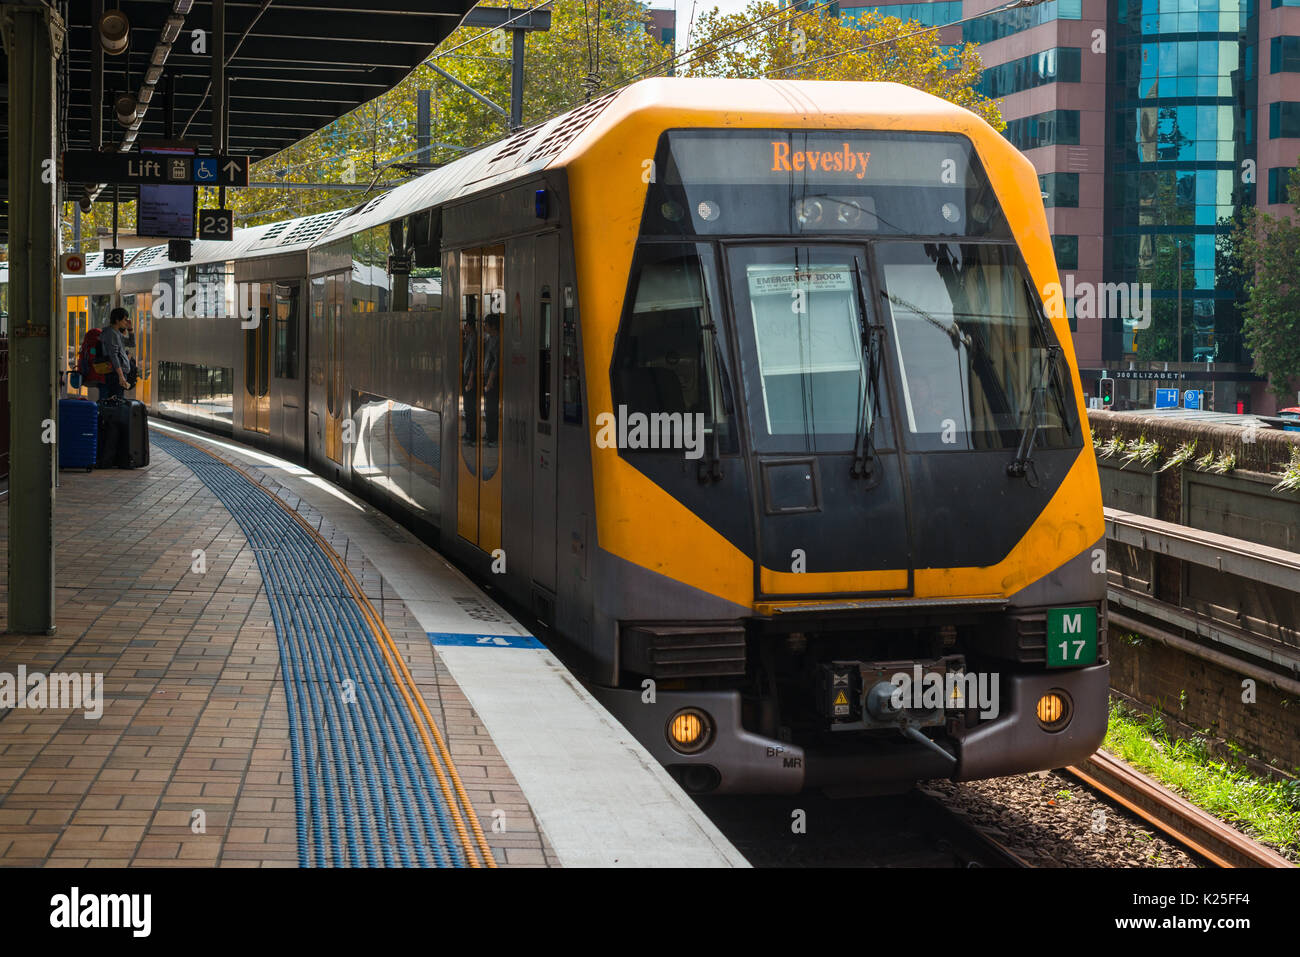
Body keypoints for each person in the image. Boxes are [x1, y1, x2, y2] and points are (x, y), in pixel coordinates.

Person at [98, 308, 132, 402]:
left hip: (117, 373)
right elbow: (114, 356)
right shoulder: (111, 334)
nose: (126, 322)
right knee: (116, 402)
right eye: (125, 319)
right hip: (115, 374)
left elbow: (131, 343)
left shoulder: (117, 333)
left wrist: (130, 329)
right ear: (117, 320)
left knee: (117, 402)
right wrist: (121, 376)